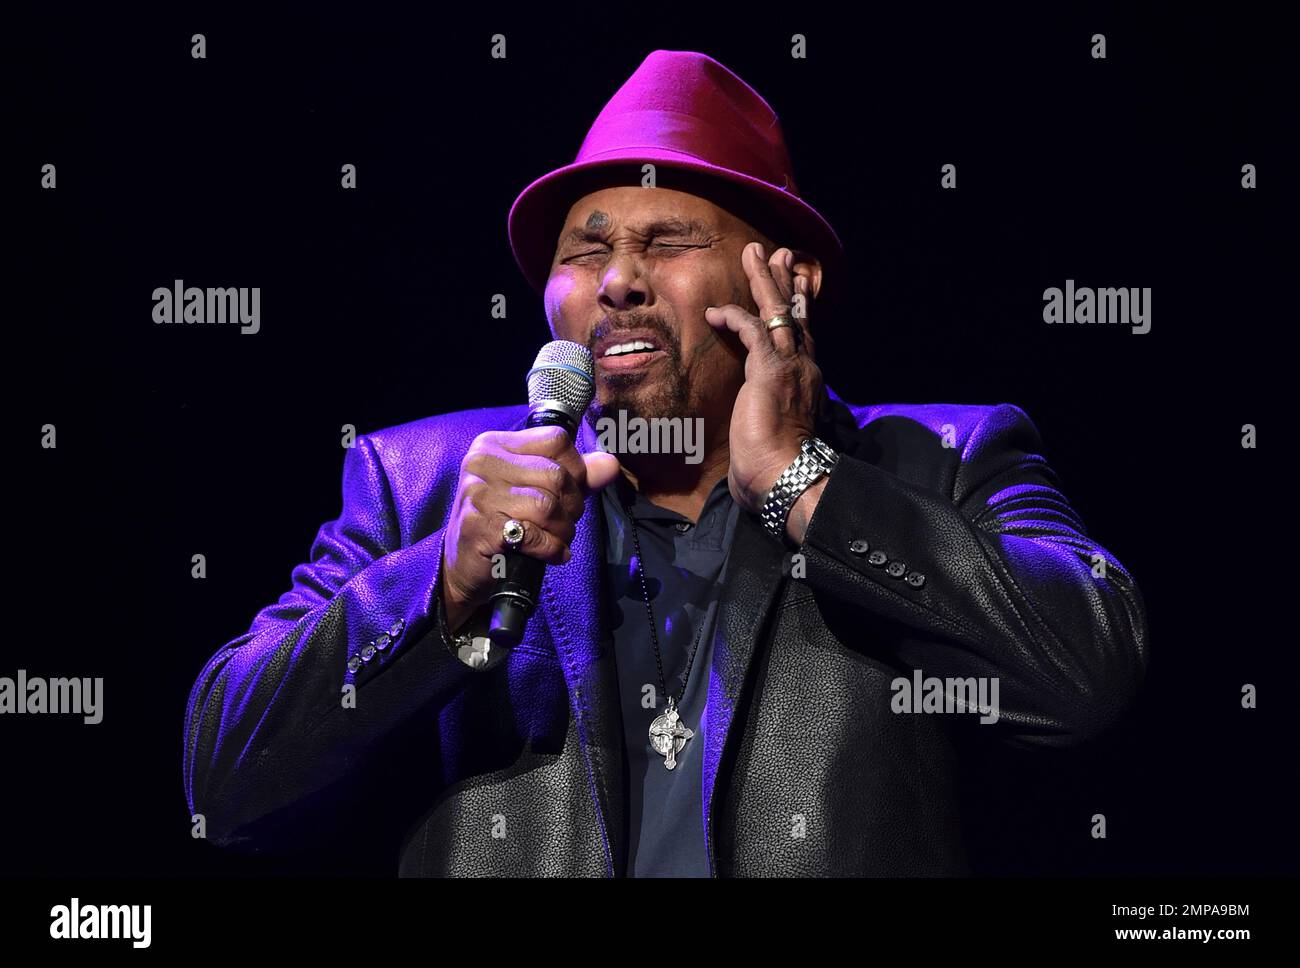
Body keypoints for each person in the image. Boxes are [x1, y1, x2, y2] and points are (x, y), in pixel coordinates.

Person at [183, 49, 1148, 876]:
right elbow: (222, 782)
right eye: (584, 250)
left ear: (786, 276)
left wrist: (811, 486)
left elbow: (1086, 678)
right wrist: (441, 586)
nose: (616, 281)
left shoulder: (941, 459)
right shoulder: (426, 484)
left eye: (668, 241)